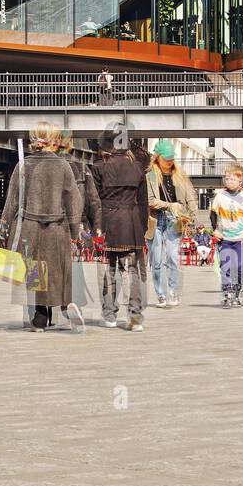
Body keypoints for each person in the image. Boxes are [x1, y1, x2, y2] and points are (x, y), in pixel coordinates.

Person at [0, 122, 84, 333]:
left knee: (35, 273)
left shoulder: (23, 166)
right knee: (59, 272)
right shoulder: (63, 166)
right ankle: (65, 305)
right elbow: (74, 200)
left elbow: (12, 200)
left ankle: (39, 318)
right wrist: (75, 231)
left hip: (29, 228)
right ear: (54, 140)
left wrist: (4, 224)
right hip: (57, 228)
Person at [91, 126, 149, 332]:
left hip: (107, 222)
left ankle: (109, 314)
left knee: (108, 271)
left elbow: (94, 201)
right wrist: (141, 227)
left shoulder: (98, 167)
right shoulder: (137, 168)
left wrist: (95, 226)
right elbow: (143, 203)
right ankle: (135, 316)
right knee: (132, 271)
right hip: (131, 222)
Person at [145, 139, 199, 308]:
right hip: (155, 220)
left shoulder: (180, 175)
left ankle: (174, 291)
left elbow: (191, 197)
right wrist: (170, 205)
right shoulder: (150, 176)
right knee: (156, 259)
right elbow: (150, 200)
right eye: (166, 158)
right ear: (157, 157)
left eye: (171, 158)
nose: (170, 161)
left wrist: (191, 217)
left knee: (173, 257)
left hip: (175, 220)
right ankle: (161, 294)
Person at [210, 163, 243, 308]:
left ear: (240, 182)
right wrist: (215, 230)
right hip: (225, 238)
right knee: (226, 266)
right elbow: (213, 214)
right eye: (227, 179)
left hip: (241, 238)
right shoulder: (219, 196)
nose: (229, 181)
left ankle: (237, 291)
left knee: (241, 266)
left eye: (233, 179)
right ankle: (227, 294)